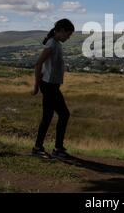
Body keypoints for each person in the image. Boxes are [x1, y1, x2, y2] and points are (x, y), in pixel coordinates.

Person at [31, 19, 75, 159]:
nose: (68, 37)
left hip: (52, 85)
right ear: (61, 30)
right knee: (62, 115)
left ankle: (47, 148)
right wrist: (36, 87)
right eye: (68, 34)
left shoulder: (56, 44)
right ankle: (53, 149)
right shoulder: (52, 44)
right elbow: (38, 65)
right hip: (49, 86)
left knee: (52, 116)